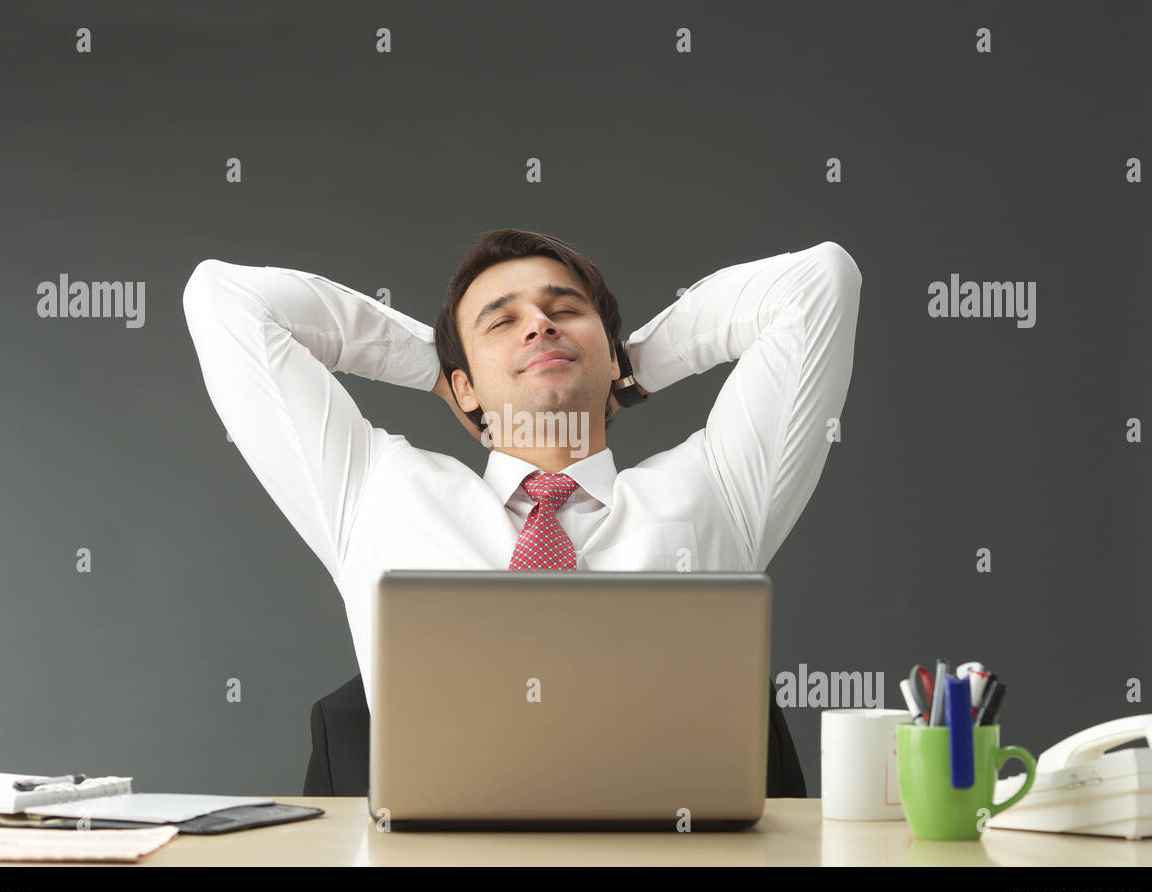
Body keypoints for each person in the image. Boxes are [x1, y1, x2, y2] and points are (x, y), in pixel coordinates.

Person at [182, 228, 862, 797]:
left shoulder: (716, 490)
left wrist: (634, 367)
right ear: (464, 387)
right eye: (502, 320)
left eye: (565, 311)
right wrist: (431, 366)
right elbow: (225, 298)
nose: (539, 323)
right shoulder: (376, 490)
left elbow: (820, 284)